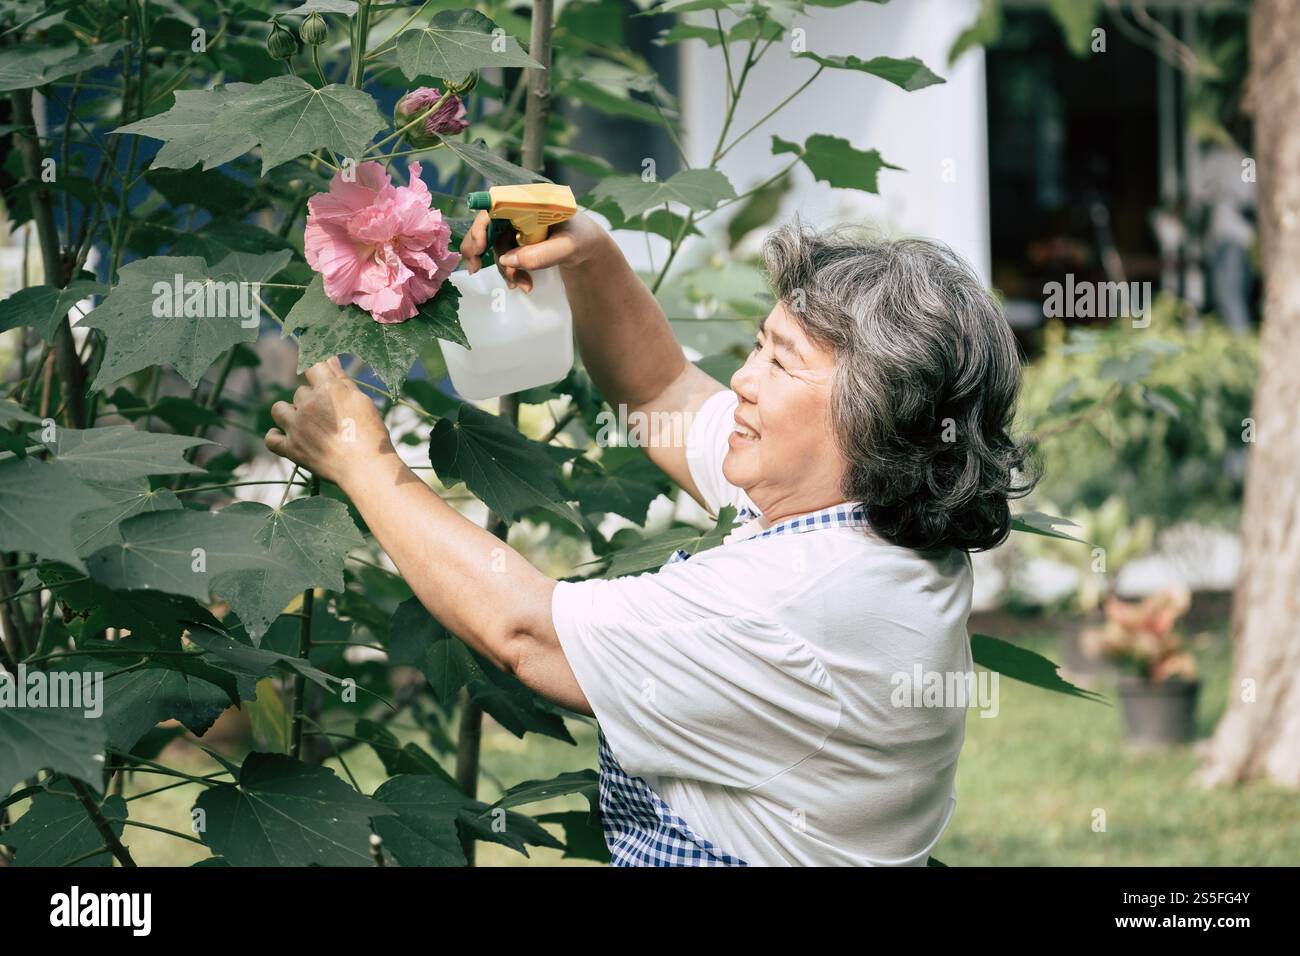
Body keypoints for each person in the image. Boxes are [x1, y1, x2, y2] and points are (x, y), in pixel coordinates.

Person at [265, 210, 1036, 866]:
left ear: (868, 416)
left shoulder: (797, 601)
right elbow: (661, 389)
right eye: (758, 344)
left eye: (781, 360)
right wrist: (591, 252)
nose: (744, 378)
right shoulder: (865, 512)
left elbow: (526, 631)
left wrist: (362, 463)